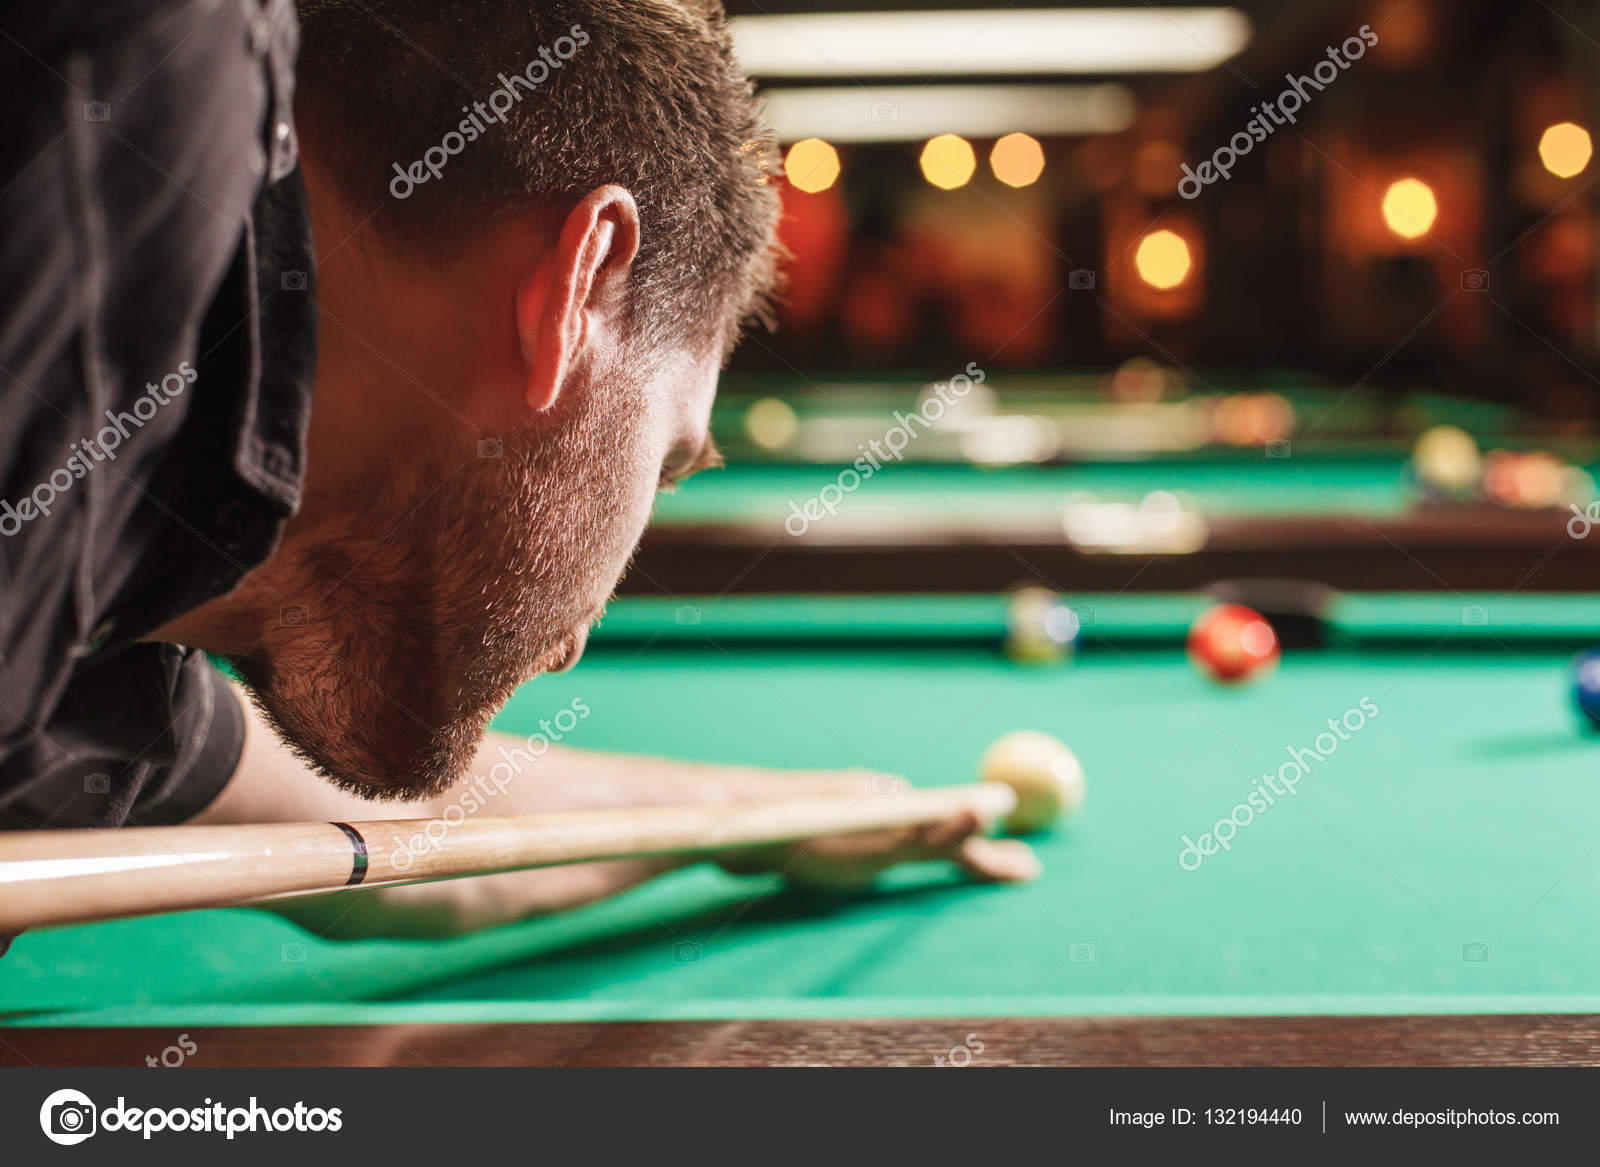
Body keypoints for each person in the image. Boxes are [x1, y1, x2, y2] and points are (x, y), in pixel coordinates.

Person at [0, 0, 1037, 948]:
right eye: (665, 462)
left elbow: (400, 846)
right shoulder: (141, 59)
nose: (575, 641)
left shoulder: (125, 603)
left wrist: (758, 820)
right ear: (576, 294)